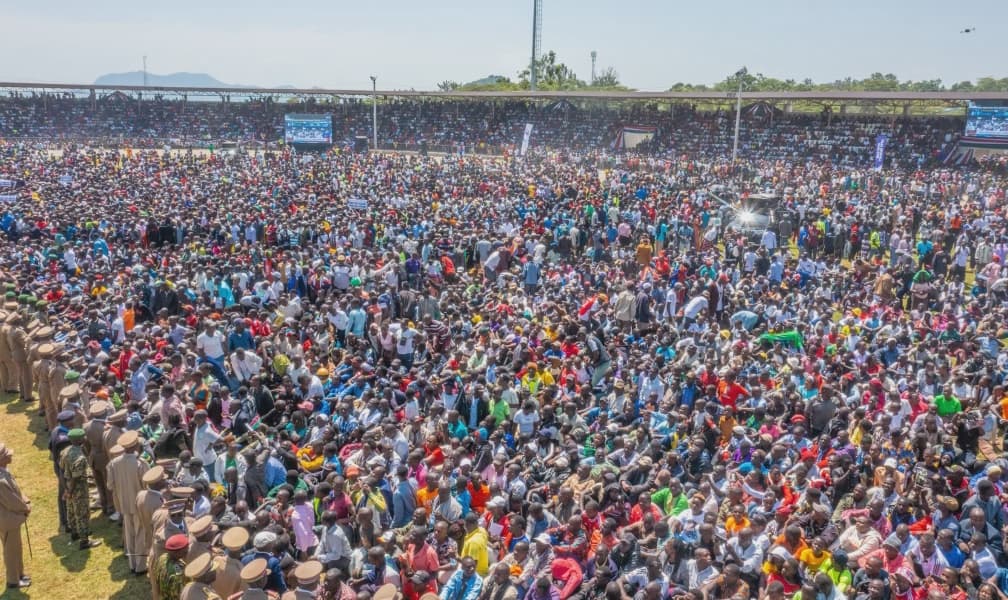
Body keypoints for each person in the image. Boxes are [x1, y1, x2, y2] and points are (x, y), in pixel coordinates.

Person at [106, 430, 149, 573]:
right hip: (139, 504)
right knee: (140, 535)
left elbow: (110, 486)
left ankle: (132, 564)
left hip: (123, 504)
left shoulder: (114, 463)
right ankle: (141, 566)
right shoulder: (140, 463)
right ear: (135, 445)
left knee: (129, 534)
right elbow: (147, 486)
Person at [59, 428, 100, 549]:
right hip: (78, 488)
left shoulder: (65, 451)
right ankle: (84, 541)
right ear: (80, 440)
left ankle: (75, 533)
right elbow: (76, 478)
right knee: (82, 513)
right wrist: (70, 491)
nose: (85, 438)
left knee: (71, 510)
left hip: (67, 485)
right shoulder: (80, 458)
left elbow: (61, 471)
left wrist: (65, 488)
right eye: (83, 437)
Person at [0, 443, 30, 589]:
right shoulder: (0, 481)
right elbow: (11, 501)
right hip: (7, 520)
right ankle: (13, 581)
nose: (10, 455)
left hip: (11, 518)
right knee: (11, 550)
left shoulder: (4, 471)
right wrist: (26, 508)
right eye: (7, 454)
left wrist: (24, 499)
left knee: (16, 547)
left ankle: (19, 574)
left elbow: (16, 490)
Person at [154, 533, 190, 600]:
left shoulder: (162, 557)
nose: (187, 550)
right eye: (185, 550)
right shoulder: (179, 573)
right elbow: (179, 594)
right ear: (177, 553)